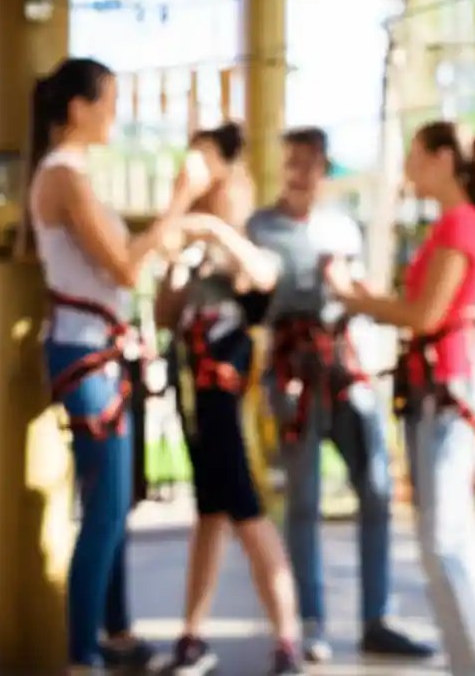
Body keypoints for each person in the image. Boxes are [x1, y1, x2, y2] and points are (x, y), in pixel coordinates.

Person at [184, 126, 432, 662]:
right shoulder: (259, 227)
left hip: (343, 363)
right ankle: (310, 622)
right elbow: (244, 292)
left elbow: (356, 295)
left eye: (309, 162)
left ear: (322, 167)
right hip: (290, 370)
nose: (299, 171)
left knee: (377, 488)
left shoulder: (342, 227)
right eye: (291, 161)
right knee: (303, 499)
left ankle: (377, 616)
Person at [27, 57, 213, 673]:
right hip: (86, 354)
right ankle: (83, 654)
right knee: (104, 509)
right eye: (107, 101)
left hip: (96, 351)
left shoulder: (71, 177)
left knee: (113, 505)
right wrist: (179, 202)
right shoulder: (65, 179)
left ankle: (114, 634)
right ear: (78, 107)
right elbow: (126, 270)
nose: (114, 114)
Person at [324, 121, 475, 675]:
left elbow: (426, 315)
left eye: (414, 155)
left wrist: (353, 299)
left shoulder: (460, 225)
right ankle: (472, 663)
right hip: (440, 386)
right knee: (444, 538)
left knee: (447, 538)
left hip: (449, 388)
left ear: (442, 159)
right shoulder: (455, 224)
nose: (407, 166)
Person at [154, 124, 304, 675]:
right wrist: (180, 247)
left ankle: (287, 638)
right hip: (197, 407)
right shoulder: (193, 258)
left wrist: (214, 229)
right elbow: (163, 315)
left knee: (246, 514)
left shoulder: (247, 253)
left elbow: (262, 277)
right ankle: (192, 636)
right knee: (212, 516)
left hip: (233, 408)